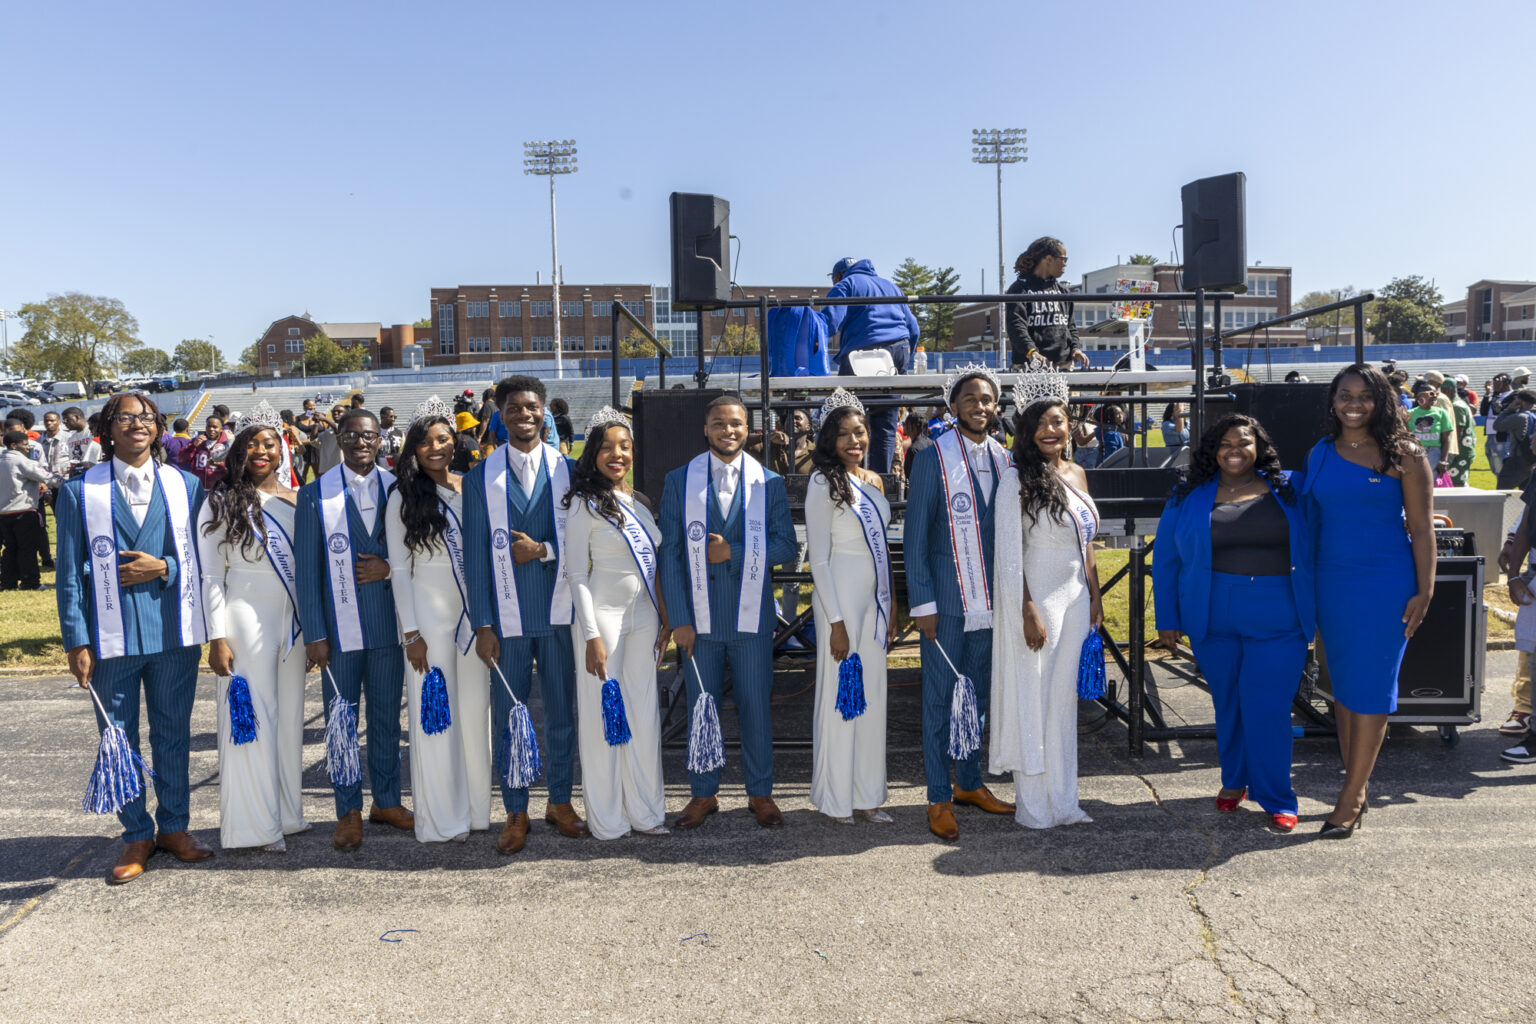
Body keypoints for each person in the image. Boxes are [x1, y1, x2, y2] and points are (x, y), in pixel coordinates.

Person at [55, 391, 213, 884]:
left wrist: (163, 565)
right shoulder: (81, 492)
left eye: (146, 417)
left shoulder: (186, 486)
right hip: (110, 638)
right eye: (126, 418)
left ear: (159, 427)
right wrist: (76, 641)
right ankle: (136, 833)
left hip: (173, 632)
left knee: (173, 735)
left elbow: (206, 558)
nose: (137, 424)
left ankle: (173, 826)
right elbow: (66, 574)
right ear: (108, 429)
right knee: (117, 739)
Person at [1153, 414, 1315, 832]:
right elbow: (1168, 560)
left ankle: (1277, 795)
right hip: (1213, 613)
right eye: (1225, 444)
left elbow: (1326, 535)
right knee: (1228, 704)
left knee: (1268, 708)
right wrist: (1167, 618)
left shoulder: (1291, 487)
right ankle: (1234, 781)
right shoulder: (1187, 493)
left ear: (1259, 446)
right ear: (1212, 450)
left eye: (1244, 442)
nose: (1234, 451)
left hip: (1280, 614)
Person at [1302, 364, 1434, 837]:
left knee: (1373, 688)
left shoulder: (1404, 454)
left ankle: (1352, 795)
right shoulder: (1319, 453)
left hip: (1385, 585)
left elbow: (1421, 529)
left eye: (1364, 395)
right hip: (1330, 584)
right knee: (1343, 691)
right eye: (1344, 395)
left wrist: (1426, 589)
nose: (1353, 404)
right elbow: (1305, 515)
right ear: (1332, 401)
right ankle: (1356, 781)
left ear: (1381, 400)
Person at [659, 393, 798, 830]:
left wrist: (733, 552)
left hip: (750, 619)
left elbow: (786, 545)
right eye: (719, 424)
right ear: (706, 429)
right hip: (698, 620)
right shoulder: (679, 480)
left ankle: (761, 792)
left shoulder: (768, 482)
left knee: (756, 706)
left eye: (736, 423)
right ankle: (704, 793)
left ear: (747, 428)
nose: (728, 431)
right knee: (703, 705)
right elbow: (671, 556)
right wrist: (678, 618)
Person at [462, 376, 586, 853]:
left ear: (544, 414)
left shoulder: (571, 470)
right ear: (501, 414)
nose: (525, 415)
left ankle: (559, 801)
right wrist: (483, 625)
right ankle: (515, 811)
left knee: (560, 714)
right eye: (515, 408)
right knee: (510, 715)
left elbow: (582, 543)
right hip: (507, 624)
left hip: (558, 615)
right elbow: (475, 556)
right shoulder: (480, 478)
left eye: (532, 407)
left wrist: (544, 550)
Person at [904, 365, 1017, 840]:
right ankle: (937, 795)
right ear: (953, 406)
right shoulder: (932, 456)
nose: (980, 406)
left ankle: (969, 782)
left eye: (988, 399)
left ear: (997, 407)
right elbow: (916, 538)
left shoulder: (1006, 460)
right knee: (940, 702)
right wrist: (923, 602)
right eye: (970, 398)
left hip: (993, 603)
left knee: (979, 697)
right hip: (947, 602)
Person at [295, 407, 414, 851]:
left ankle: (386, 800)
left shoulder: (399, 488)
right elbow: (306, 572)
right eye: (352, 435)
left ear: (381, 438)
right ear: (338, 438)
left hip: (387, 626)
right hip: (339, 633)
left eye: (369, 435)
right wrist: (315, 634)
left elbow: (414, 552)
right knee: (341, 721)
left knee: (385, 719)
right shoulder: (314, 495)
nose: (361, 442)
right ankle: (347, 809)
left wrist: (389, 568)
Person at [989, 379, 1102, 828]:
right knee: (1033, 698)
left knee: (1061, 703)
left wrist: (1094, 595)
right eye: (1040, 423)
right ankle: (1034, 805)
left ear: (1069, 424)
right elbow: (1009, 553)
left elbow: (1088, 542)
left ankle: (1064, 800)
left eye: (1057, 420)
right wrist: (1026, 608)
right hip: (1034, 596)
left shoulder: (1077, 473)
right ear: (1027, 430)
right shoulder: (1015, 478)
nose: (1050, 430)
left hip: (1075, 597)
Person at [196, 415, 310, 852]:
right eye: (251, 445)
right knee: (252, 720)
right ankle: (252, 827)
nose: (261, 452)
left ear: (283, 451)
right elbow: (209, 575)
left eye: (270, 444)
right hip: (246, 615)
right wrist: (217, 636)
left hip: (293, 620)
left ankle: (284, 813)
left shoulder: (299, 498)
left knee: (287, 721)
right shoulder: (221, 501)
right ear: (237, 453)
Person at [562, 406, 671, 839]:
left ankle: (646, 813)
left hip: (645, 618)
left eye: (624, 446)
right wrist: (590, 635)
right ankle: (608, 818)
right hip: (601, 621)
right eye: (607, 447)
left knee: (643, 715)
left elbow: (656, 565)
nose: (617, 454)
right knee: (603, 717)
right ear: (592, 454)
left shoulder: (640, 501)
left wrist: (664, 618)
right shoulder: (582, 504)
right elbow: (576, 574)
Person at [385, 399, 488, 844]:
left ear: (456, 442)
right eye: (425, 442)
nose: (436, 448)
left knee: (473, 717)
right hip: (428, 620)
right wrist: (411, 633)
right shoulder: (402, 497)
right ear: (413, 449)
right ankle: (442, 819)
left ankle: (476, 812)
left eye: (443, 439)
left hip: (472, 618)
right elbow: (399, 570)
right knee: (436, 721)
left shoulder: (472, 488)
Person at [805, 389, 897, 824]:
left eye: (859, 432)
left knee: (873, 696)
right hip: (837, 596)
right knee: (842, 694)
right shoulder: (822, 481)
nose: (854, 441)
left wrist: (891, 603)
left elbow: (883, 553)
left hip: (874, 600)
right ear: (829, 440)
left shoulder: (874, 480)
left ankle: (867, 795)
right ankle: (836, 797)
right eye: (843, 434)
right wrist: (836, 622)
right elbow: (818, 559)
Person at [819, 257, 920, 474]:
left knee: (841, 414)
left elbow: (828, 324)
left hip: (862, 353)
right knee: (885, 425)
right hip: (898, 350)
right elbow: (914, 330)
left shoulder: (846, 285)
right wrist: (904, 361)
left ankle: (842, 477)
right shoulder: (892, 287)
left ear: (838, 276)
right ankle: (881, 483)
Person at [1006, 237, 1089, 370]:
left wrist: (1075, 349)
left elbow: (1071, 327)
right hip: (1029, 366)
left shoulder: (1063, 291)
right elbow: (1016, 326)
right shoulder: (1019, 289)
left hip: (1063, 367)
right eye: (1063, 259)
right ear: (1049, 259)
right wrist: (1031, 351)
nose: (1065, 264)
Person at [0, 429, 58, 590]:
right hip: (23, 511)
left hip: (3, 513)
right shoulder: (23, 462)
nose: (28, 448)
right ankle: (30, 582)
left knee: (10, 549)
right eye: (24, 445)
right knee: (28, 548)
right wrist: (65, 482)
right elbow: (47, 477)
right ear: (13, 445)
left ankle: (7, 582)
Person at [1407, 381, 1452, 479]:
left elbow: (1446, 438)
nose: (1434, 396)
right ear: (1420, 395)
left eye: (1436, 393)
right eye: (1431, 393)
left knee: (1431, 483)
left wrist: (1443, 460)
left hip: (1434, 453)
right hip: (1414, 453)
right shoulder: (1409, 414)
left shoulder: (1441, 413)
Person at [1494, 390, 1536, 490]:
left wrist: (1509, 409)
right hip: (1531, 460)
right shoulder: (1533, 416)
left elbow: (1497, 425)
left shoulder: (1518, 417)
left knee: (1501, 493)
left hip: (1517, 460)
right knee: (1526, 496)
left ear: (1521, 402)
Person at [1441, 379, 1476, 487]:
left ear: (1449, 390)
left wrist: (1448, 454)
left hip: (1460, 451)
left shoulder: (1456, 406)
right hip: (1462, 450)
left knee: (1456, 483)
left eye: (1442, 390)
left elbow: (1457, 432)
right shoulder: (1460, 403)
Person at [902, 411, 934, 480]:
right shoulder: (931, 443)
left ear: (912, 426)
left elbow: (909, 477)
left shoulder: (913, 449)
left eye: (905, 424)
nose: (903, 426)